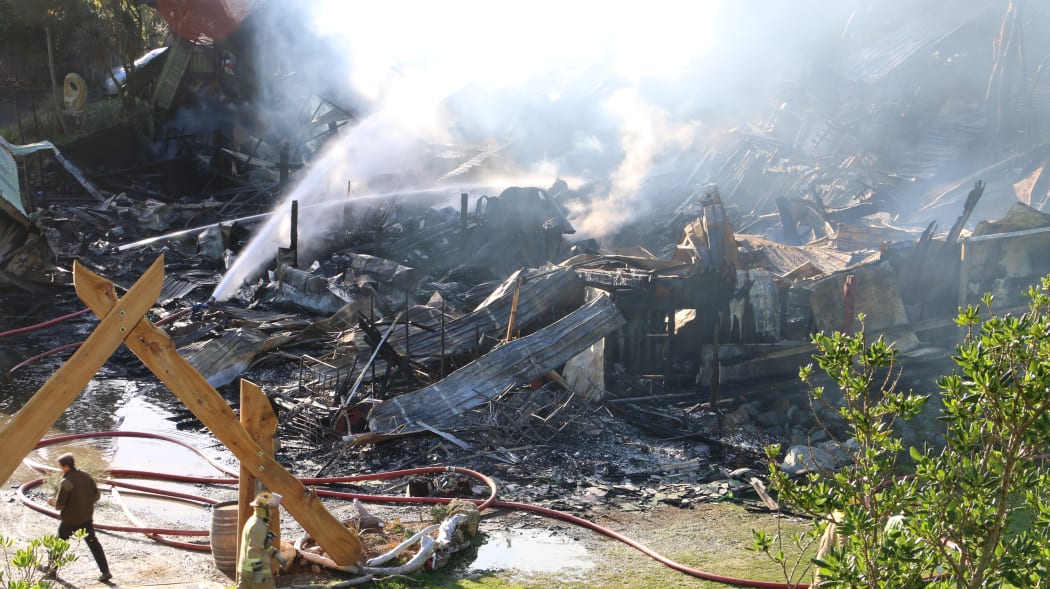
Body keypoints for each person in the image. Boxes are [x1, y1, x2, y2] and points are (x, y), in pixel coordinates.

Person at [46, 452, 112, 582]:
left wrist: (52, 502)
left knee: (58, 543)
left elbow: (60, 505)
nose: (60, 469)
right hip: (86, 518)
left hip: (69, 520)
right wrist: (83, 502)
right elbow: (96, 496)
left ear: (65, 466)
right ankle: (105, 572)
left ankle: (52, 571)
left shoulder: (66, 481)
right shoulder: (86, 476)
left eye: (60, 466)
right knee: (94, 545)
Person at [237, 491, 287, 589]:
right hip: (256, 574)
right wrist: (258, 572)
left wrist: (275, 554)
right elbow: (252, 551)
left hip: (245, 570)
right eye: (271, 508)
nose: (273, 512)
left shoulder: (254, 521)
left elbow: (262, 545)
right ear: (264, 510)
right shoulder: (258, 526)